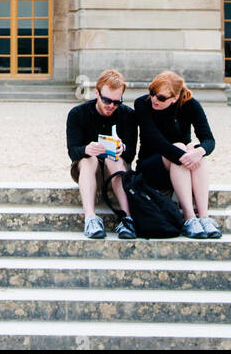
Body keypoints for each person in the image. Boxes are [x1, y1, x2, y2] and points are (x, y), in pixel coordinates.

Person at [134, 70, 221, 239]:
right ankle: (189, 217)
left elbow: (209, 139)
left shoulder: (190, 105)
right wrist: (184, 154)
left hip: (182, 168)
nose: (154, 99)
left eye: (161, 98)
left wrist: (198, 151)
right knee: (182, 147)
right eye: (152, 93)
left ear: (175, 98)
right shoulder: (142, 104)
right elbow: (155, 140)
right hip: (151, 167)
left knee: (196, 149)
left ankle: (203, 216)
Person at [66, 69, 137, 239]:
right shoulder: (78, 114)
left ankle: (127, 218)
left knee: (114, 158)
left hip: (117, 169)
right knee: (89, 160)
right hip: (88, 170)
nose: (111, 105)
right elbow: (72, 151)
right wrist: (86, 149)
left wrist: (123, 148)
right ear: (96, 93)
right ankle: (90, 218)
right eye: (106, 100)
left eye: (116, 101)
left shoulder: (127, 115)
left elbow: (132, 154)